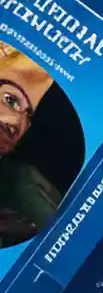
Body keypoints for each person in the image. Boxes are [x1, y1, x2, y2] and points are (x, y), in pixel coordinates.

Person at [0, 43, 78, 248]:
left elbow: (62, 239)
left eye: (27, 116)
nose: (18, 122)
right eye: (10, 100)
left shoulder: (20, 181)